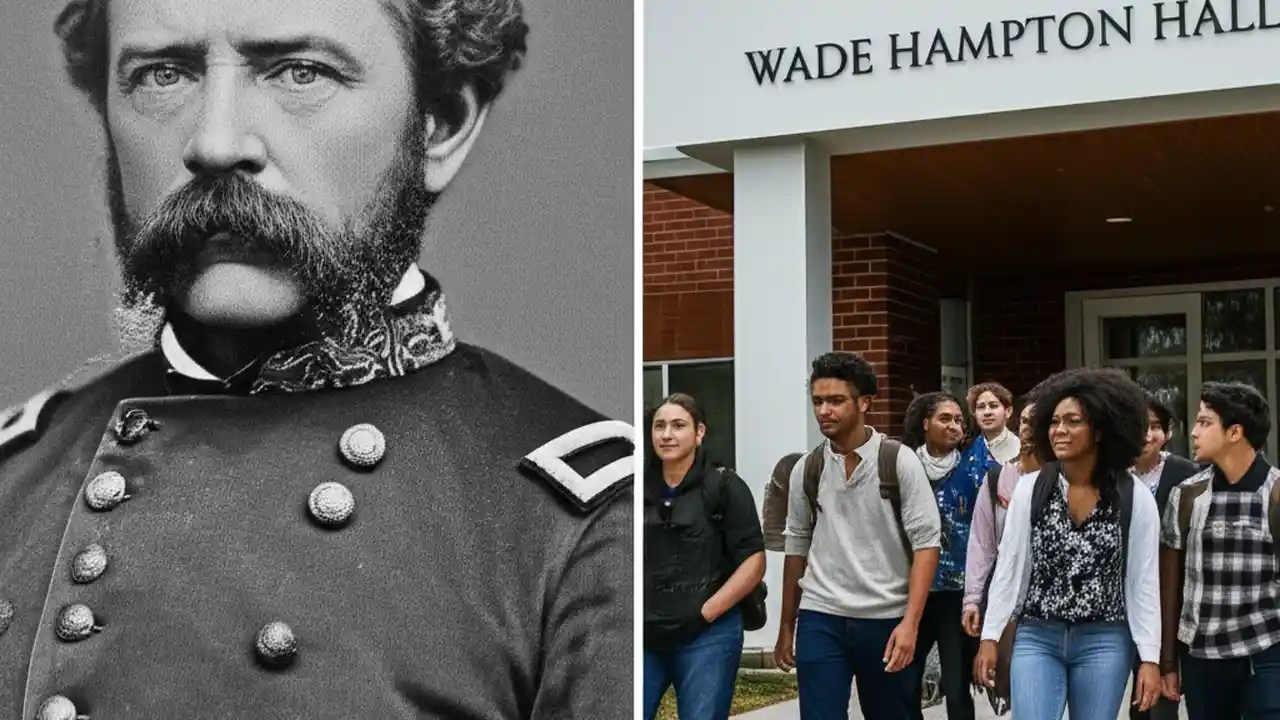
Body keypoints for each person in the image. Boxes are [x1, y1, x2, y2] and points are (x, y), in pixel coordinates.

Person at [0, 1, 634, 718]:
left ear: (442, 124)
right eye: (162, 74)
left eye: (301, 72)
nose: (214, 142)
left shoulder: (582, 528)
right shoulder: (16, 478)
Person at [975, 367, 1163, 719]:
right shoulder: (1032, 489)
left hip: (1105, 639)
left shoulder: (1133, 497)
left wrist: (1149, 658)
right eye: (1054, 421)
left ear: (1101, 430)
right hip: (1036, 635)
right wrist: (991, 636)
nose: (1058, 430)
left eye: (1073, 421)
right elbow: (1010, 568)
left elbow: (1143, 583)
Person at [775, 352, 942, 720]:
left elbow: (927, 546)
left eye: (835, 400)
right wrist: (787, 625)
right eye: (818, 401)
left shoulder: (898, 461)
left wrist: (910, 624)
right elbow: (796, 545)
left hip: (885, 618)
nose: (824, 410)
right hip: (821, 615)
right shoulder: (808, 467)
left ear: (864, 402)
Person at [1159, 382, 1280, 720]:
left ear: (1235, 432)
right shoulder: (1187, 496)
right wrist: (1168, 661)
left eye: (1205, 422)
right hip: (1202, 657)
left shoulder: (1275, 494)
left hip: (1266, 650)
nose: (1194, 432)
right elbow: (1170, 586)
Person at [643, 393, 766, 720]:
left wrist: (706, 613)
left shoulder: (724, 486)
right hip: (644, 635)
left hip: (707, 634)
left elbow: (753, 562)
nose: (667, 434)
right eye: (659, 426)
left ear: (699, 433)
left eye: (678, 425)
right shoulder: (633, 488)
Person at [901, 391, 997, 720]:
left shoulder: (977, 467)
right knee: (904, 680)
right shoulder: (903, 466)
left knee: (956, 687)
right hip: (910, 591)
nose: (954, 426)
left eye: (958, 420)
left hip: (957, 594)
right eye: (945, 419)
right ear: (924, 423)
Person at [1130, 393, 1198, 720]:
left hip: (1171, 598)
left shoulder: (1187, 474)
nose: (1147, 434)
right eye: (1139, 425)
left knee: (1162, 699)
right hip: (1123, 599)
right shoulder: (1109, 473)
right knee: (1135, 700)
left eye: (1155, 426)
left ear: (1167, 434)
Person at [968, 383, 1021, 465]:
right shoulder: (967, 451)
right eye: (981, 407)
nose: (987, 412)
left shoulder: (1022, 447)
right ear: (974, 413)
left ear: (1008, 412)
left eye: (993, 406)